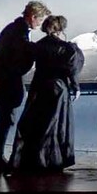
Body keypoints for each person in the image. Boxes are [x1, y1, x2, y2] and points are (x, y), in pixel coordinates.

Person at [7, 15, 84, 174]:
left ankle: (32, 160)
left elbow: (24, 64)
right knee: (55, 125)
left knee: (35, 123)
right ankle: (52, 161)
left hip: (39, 87)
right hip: (57, 88)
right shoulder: (67, 48)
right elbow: (72, 70)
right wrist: (75, 87)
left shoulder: (37, 47)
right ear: (61, 29)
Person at [0, 0, 50, 174]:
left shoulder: (15, 30)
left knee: (5, 120)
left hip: (5, 81)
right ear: (33, 16)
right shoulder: (17, 32)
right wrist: (2, 76)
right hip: (6, 82)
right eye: (40, 20)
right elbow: (0, 55)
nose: (40, 24)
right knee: (5, 120)